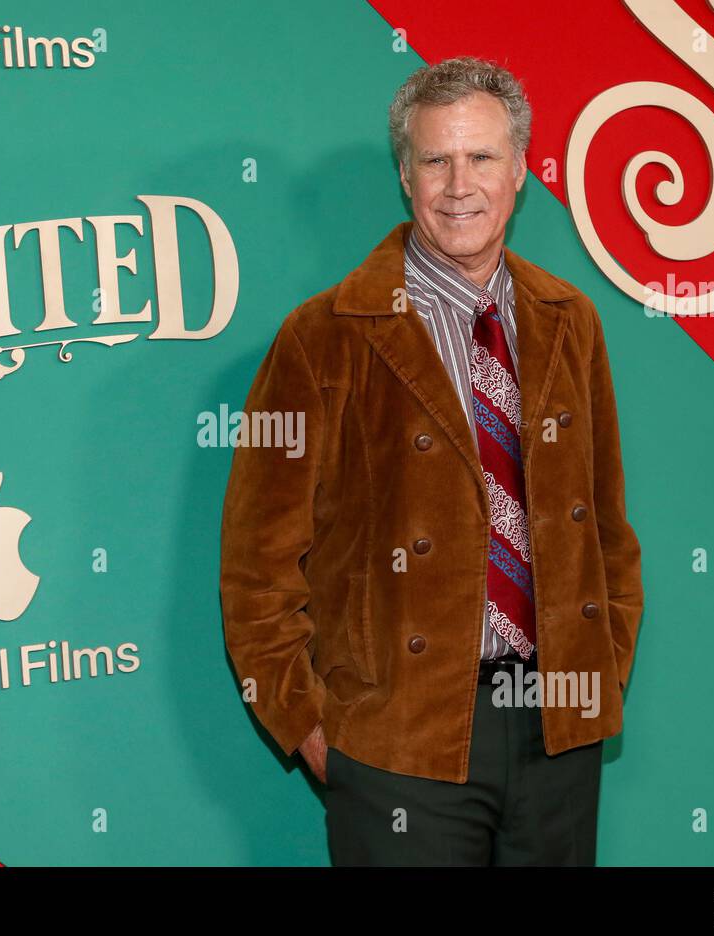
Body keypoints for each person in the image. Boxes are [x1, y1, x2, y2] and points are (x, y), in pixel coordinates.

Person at [218, 55, 644, 865]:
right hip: (399, 748)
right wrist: (318, 733)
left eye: (481, 157)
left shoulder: (569, 319)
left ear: (519, 171)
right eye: (435, 160)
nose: (460, 185)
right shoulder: (325, 337)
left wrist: (602, 664)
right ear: (405, 175)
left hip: (560, 724)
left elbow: (606, 522)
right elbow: (255, 567)